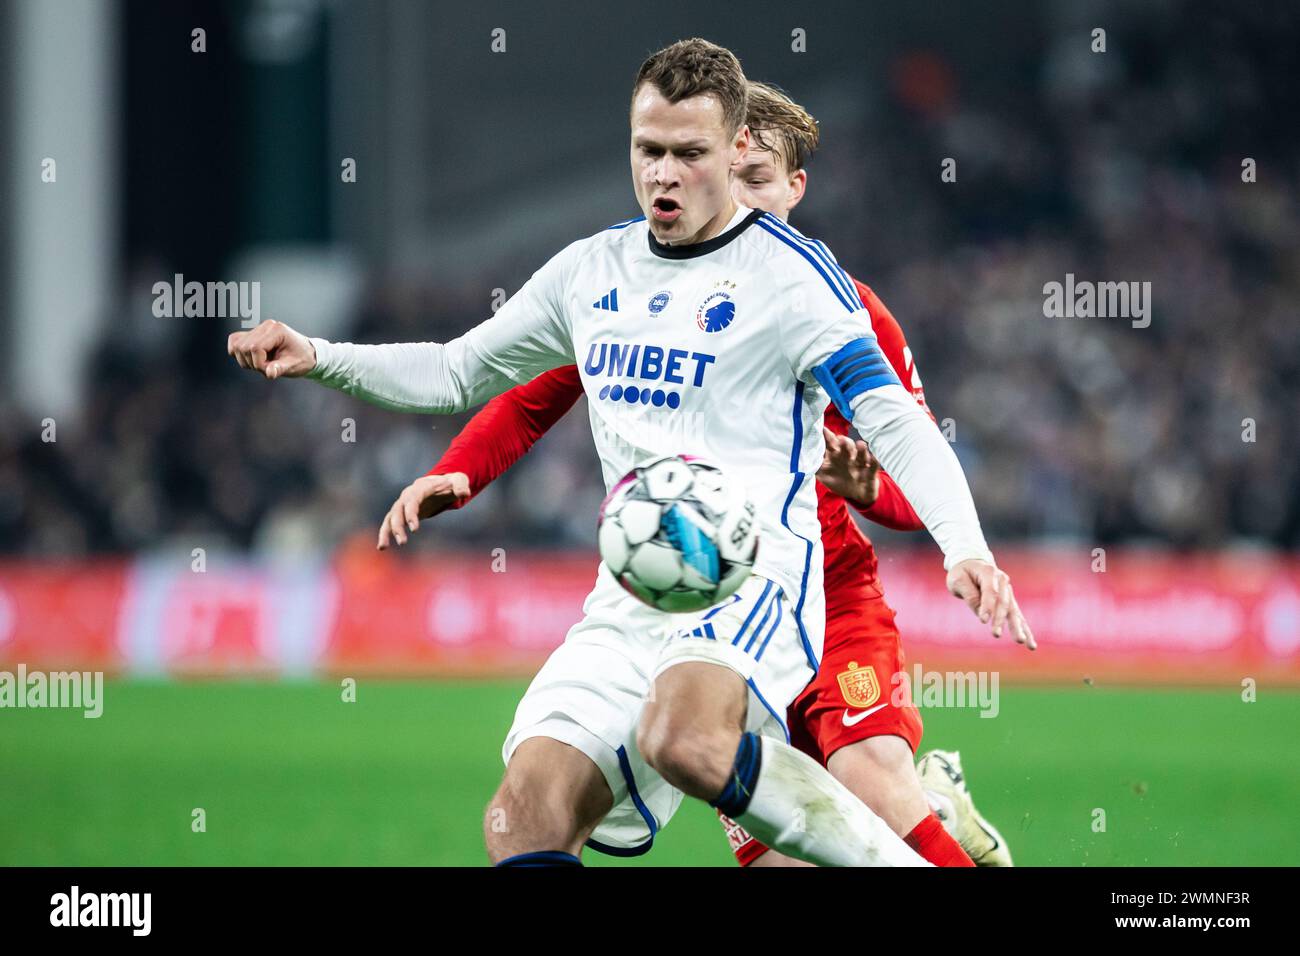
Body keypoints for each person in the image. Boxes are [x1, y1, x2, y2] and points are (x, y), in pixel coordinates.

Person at [228, 38, 1033, 867]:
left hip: (752, 579)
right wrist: (318, 355)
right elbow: (459, 369)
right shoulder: (592, 273)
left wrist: (965, 548)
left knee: (686, 739)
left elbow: (895, 421)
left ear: (736, 150)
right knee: (521, 816)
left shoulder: (797, 281)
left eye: (690, 154)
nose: (664, 175)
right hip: (635, 594)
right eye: (649, 152)